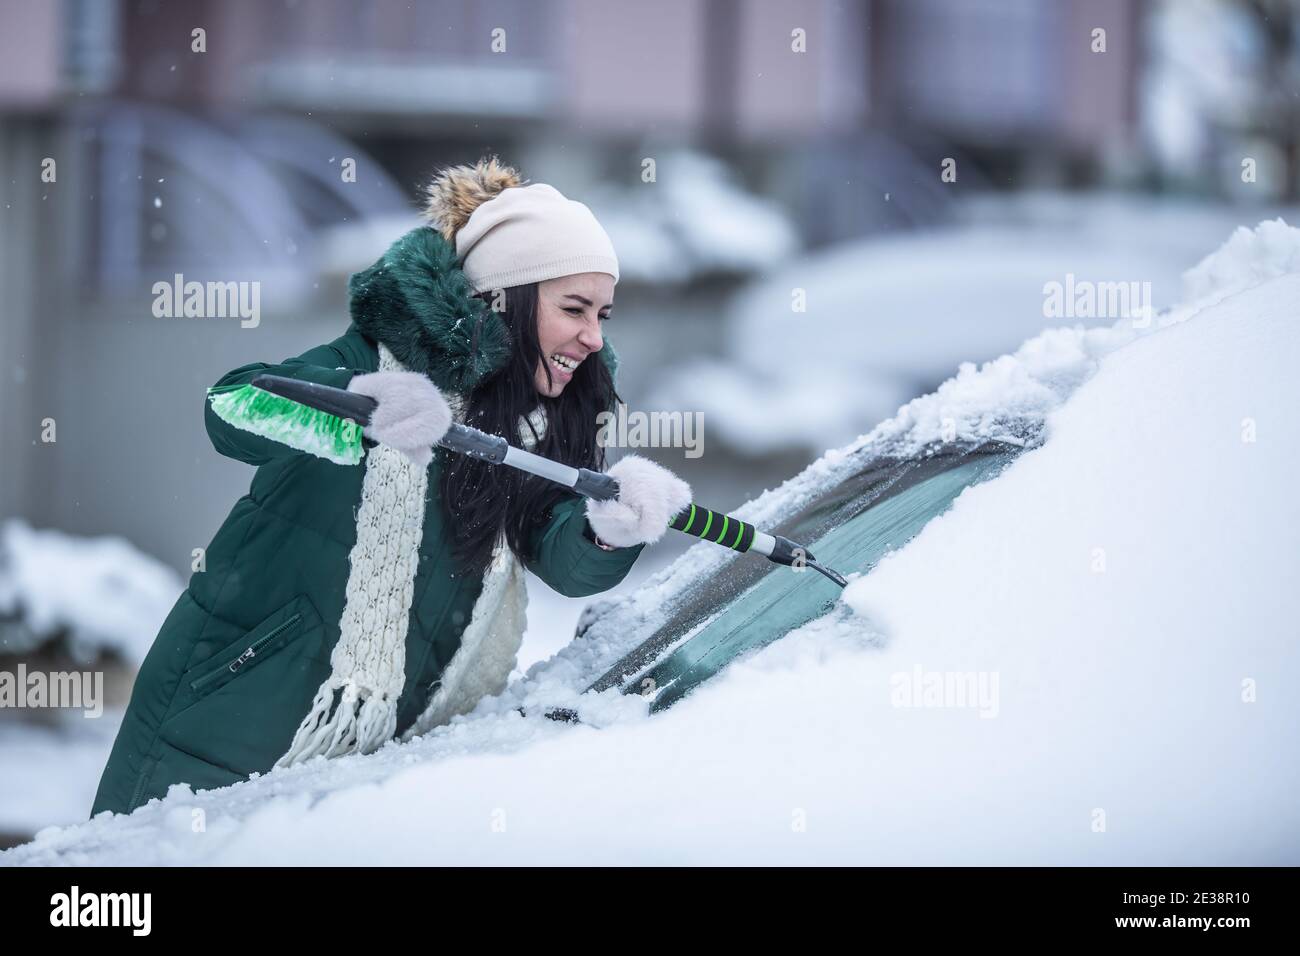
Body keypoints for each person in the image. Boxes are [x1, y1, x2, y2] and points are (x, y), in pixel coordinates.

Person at [91, 156, 691, 816]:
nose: (592, 336)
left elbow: (557, 549)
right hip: (227, 713)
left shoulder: (536, 423)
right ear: (503, 298)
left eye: (603, 313)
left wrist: (608, 528)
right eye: (574, 308)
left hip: (381, 756)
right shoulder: (367, 360)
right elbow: (230, 405)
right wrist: (357, 406)